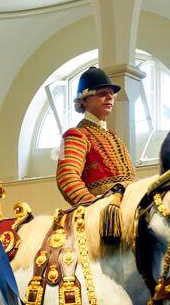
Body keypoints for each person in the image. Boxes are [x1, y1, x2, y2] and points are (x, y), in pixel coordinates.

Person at [55, 65, 136, 206]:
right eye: (102, 93)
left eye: (111, 93)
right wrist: (93, 205)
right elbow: (66, 177)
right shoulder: (74, 135)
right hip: (99, 216)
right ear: (84, 100)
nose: (110, 97)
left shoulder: (114, 137)